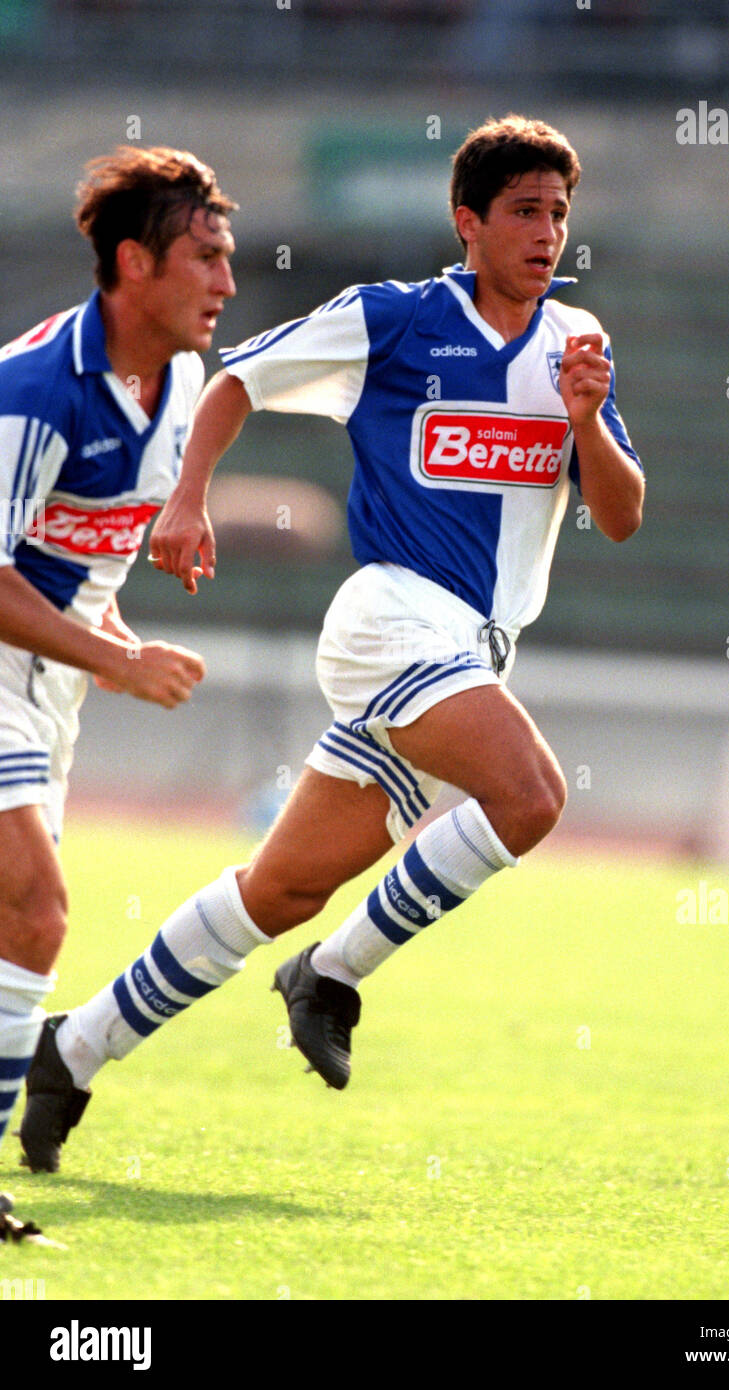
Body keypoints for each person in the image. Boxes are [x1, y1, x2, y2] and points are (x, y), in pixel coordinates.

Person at [20, 115, 644, 1176]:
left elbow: (623, 517)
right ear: (469, 224)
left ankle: (71, 1050)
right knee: (532, 795)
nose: (548, 233)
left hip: (473, 653)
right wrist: (189, 498)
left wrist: (587, 420)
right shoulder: (391, 321)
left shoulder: (573, 347)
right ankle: (334, 973)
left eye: (559, 214)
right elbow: (236, 379)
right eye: (526, 213)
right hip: (393, 620)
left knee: (280, 886)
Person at [0, 146, 236, 1239]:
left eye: (229, 258)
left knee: (17, 913)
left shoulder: (178, 381)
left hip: (53, 680)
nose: (225, 283)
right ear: (134, 262)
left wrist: (117, 631)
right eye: (205, 258)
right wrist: (118, 660)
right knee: (35, 905)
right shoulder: (35, 387)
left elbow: (78, 556)